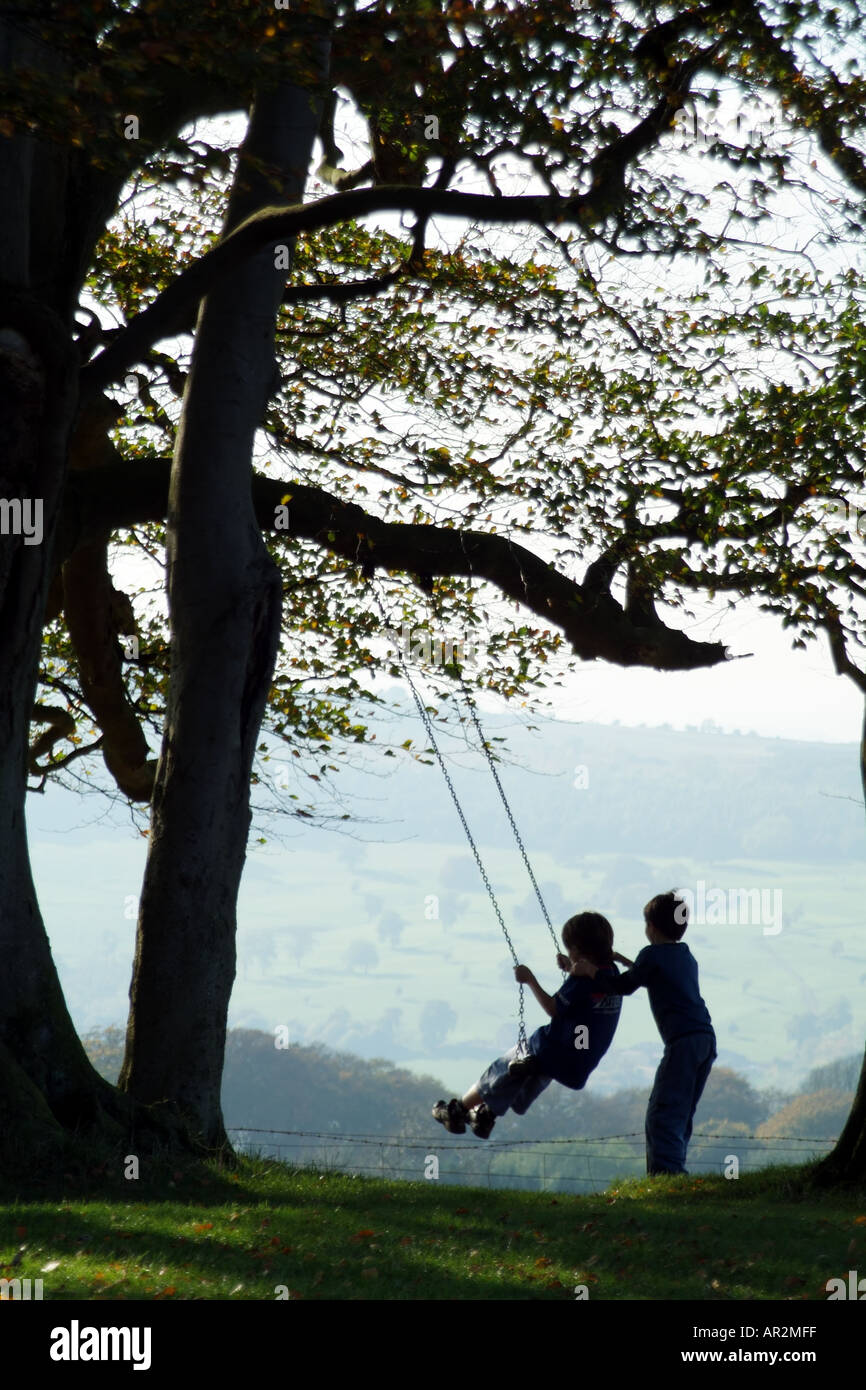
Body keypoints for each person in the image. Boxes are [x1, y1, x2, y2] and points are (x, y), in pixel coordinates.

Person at [432, 911, 623, 1139]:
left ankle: (457, 1110)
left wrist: (530, 979)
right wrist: (571, 967)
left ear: (580, 953)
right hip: (579, 1062)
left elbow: (553, 1008)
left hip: (551, 1048)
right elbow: (586, 998)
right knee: (524, 1074)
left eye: (571, 950)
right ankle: (485, 1114)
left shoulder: (581, 981)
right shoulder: (611, 973)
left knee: (502, 1067)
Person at [571, 890, 716, 1175]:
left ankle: (666, 1175)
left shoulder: (651, 955)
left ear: (651, 927)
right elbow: (653, 974)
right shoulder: (685, 955)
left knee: (661, 1113)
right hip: (705, 1039)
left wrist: (590, 971)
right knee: (682, 1110)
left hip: (682, 1042)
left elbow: (623, 986)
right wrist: (625, 961)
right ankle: (675, 1168)